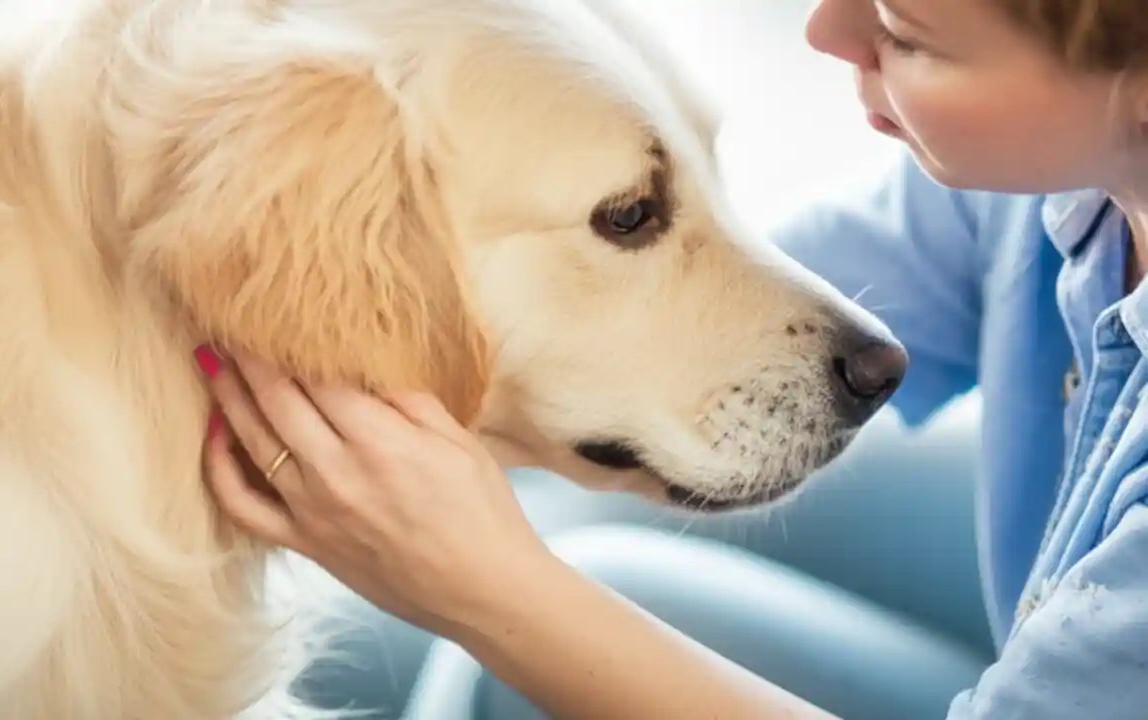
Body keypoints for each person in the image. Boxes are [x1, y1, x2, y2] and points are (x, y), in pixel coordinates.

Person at [195, 0, 1148, 717]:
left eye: (906, 29)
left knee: (524, 647)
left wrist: (490, 594)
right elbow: (702, 320)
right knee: (526, 502)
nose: (825, 27)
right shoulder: (1057, 186)